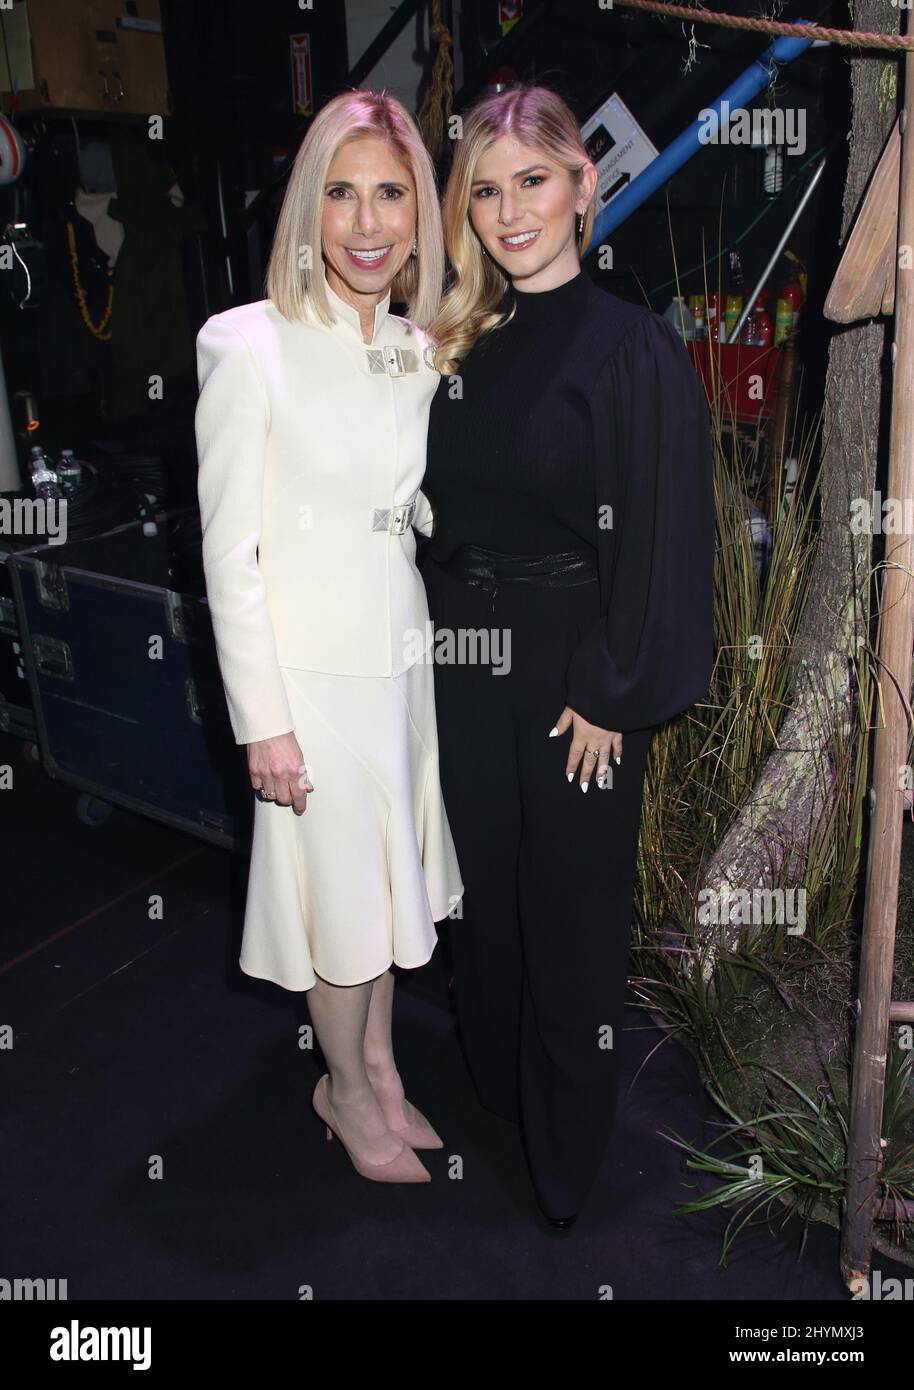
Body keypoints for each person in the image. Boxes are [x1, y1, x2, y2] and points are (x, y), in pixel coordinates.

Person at [421, 84, 715, 1227]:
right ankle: (497, 1090)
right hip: (456, 665)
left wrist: (611, 689)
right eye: (485, 190)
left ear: (585, 185)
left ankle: (563, 1156)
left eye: (531, 181)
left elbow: (659, 533)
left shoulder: (630, 347)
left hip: (570, 678)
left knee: (572, 910)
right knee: (482, 897)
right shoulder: (457, 339)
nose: (509, 211)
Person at [194, 90, 463, 1185]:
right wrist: (264, 723)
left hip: (399, 668)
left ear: (417, 214)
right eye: (341, 194)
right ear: (309, 208)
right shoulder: (244, 343)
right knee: (341, 908)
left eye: (390, 194)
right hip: (308, 686)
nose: (365, 223)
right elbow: (227, 552)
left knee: (388, 894)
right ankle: (342, 1090)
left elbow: (404, 495)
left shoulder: (415, 345)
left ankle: (383, 1072)